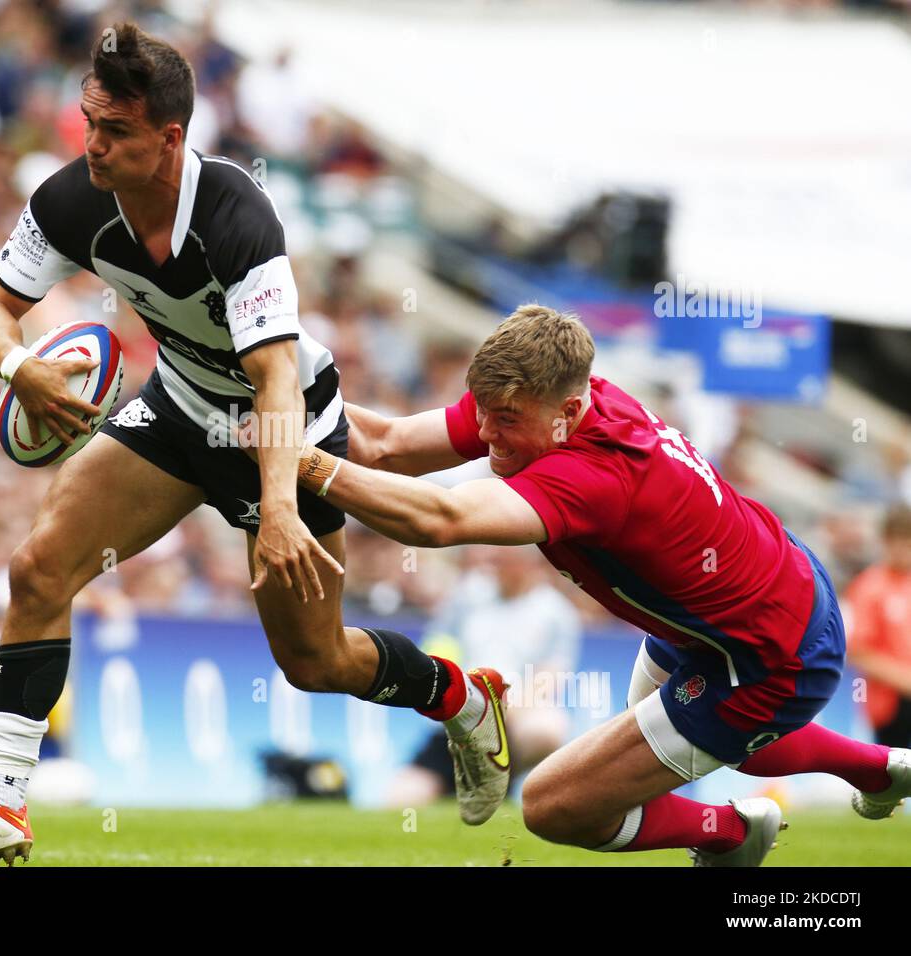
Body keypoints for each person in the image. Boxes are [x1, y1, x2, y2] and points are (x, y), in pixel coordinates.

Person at [0, 22, 506, 866]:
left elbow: (274, 384)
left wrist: (275, 513)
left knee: (316, 661)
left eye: (115, 131)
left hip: (285, 424)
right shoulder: (69, 200)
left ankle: (458, 696)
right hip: (184, 406)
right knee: (38, 569)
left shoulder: (237, 215)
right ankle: (3, 808)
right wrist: (19, 367)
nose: (94, 145)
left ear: (170, 138)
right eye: (89, 121)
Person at [297, 304, 909, 866]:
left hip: (769, 653)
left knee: (553, 805)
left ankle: (731, 833)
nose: (484, 434)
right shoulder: (556, 398)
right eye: (479, 410)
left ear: (566, 416)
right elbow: (385, 444)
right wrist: (268, 400)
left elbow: (438, 519)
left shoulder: (595, 476)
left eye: (504, 420)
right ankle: (881, 769)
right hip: (752, 598)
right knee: (708, 741)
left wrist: (296, 461)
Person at [388, 545, 580, 808]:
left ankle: (493, 776)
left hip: (512, 718)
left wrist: (501, 707)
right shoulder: (467, 595)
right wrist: (450, 692)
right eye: (494, 561)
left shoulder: (556, 613)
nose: (494, 568)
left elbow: (550, 676)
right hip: (458, 712)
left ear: (528, 565)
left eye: (504, 561)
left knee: (547, 729)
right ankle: (466, 781)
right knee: (400, 801)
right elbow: (438, 646)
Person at [845, 505, 911, 748]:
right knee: (893, 777)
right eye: (898, 541)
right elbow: (858, 653)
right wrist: (905, 680)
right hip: (889, 707)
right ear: (885, 541)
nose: (903, 550)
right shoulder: (869, 586)